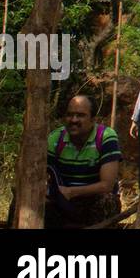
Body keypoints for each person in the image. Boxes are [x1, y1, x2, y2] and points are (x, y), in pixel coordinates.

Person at [46, 95, 122, 229]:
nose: (74, 120)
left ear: (93, 119)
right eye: (70, 115)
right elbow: (39, 176)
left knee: (108, 201)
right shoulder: (55, 138)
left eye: (80, 115)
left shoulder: (106, 137)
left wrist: (71, 192)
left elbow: (107, 185)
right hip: (61, 201)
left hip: (93, 200)